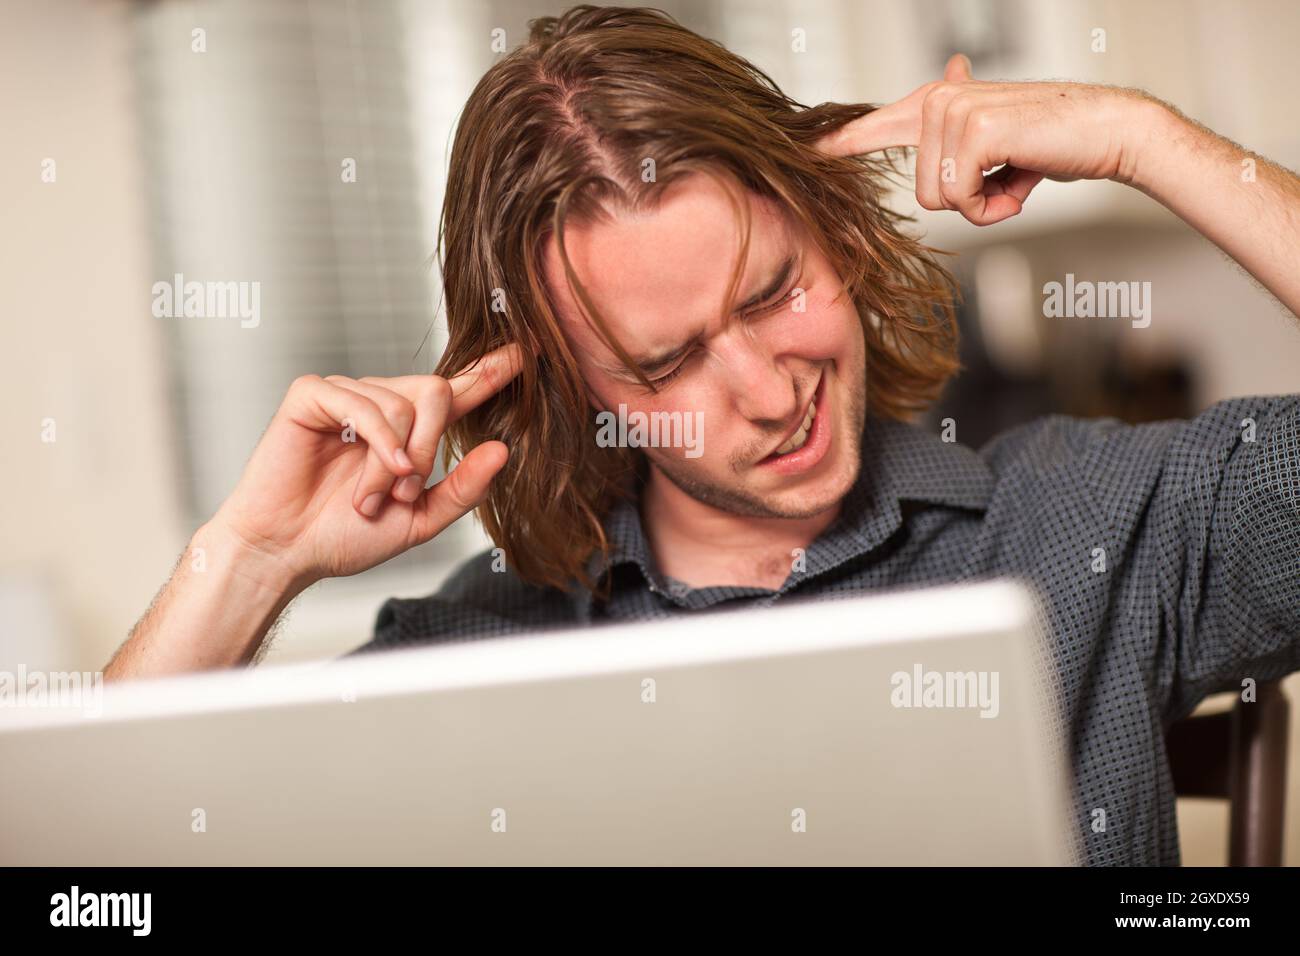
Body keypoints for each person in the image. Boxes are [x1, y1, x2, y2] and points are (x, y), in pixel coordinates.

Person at [106, 6, 1300, 865]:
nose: (769, 392)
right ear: (581, 393)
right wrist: (251, 561)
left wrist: (1145, 138)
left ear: (832, 233)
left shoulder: (1087, 520)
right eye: (669, 360)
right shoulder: (490, 649)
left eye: (775, 290)